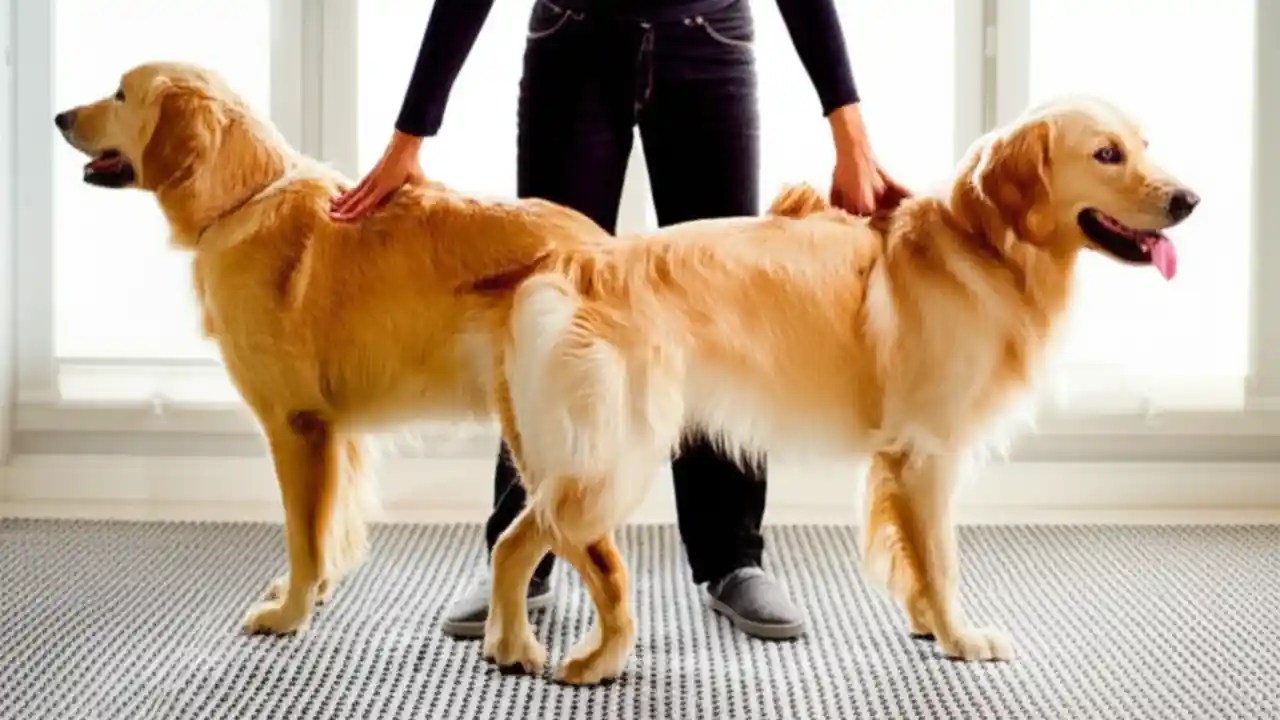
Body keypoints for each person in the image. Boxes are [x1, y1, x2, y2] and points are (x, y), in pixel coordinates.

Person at [330, 0, 905, 642]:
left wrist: (848, 129)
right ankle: (522, 552)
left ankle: (731, 557)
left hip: (707, 42)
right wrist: (411, 133)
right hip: (571, 42)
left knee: (716, 309)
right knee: (543, 303)